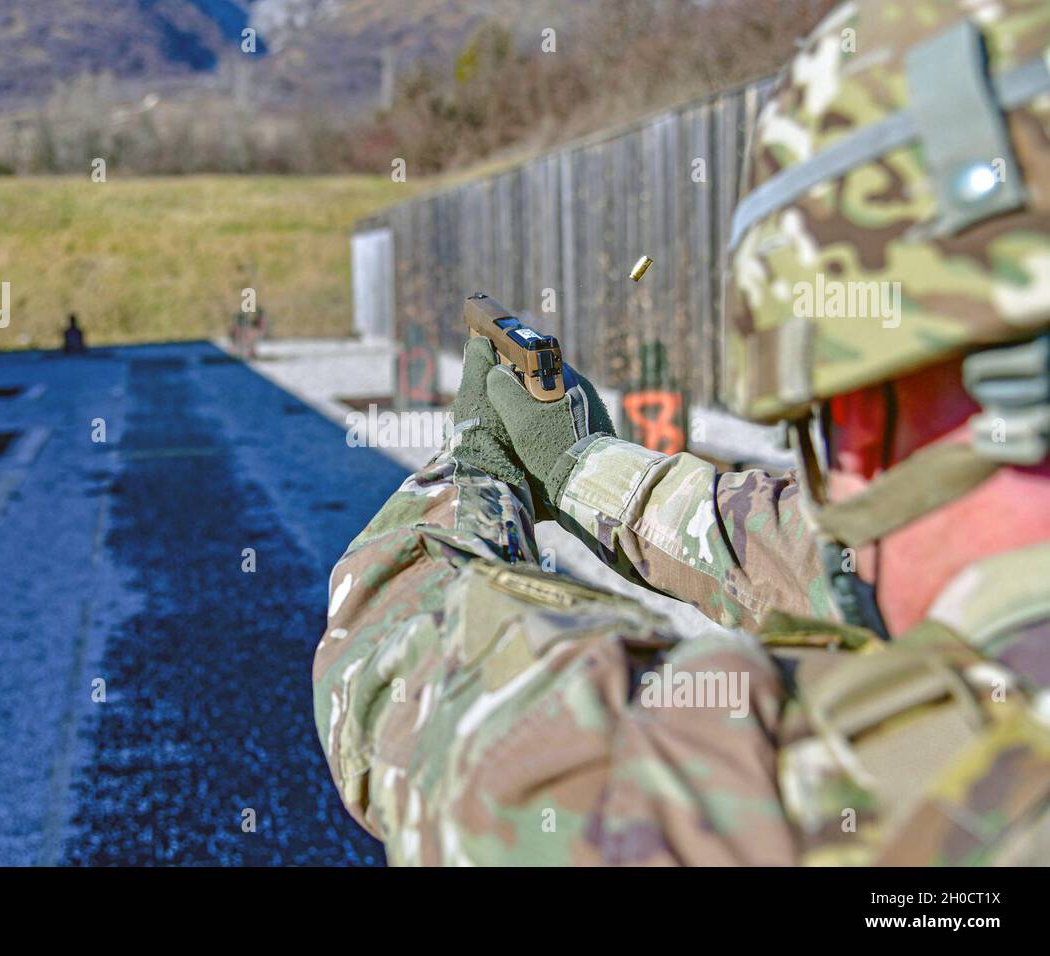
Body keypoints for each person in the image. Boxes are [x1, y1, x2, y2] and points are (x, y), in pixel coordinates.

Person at [313, 0, 1050, 865]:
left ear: (856, 410)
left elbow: (422, 693)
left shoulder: (853, 807)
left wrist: (475, 473)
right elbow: (801, 556)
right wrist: (577, 463)